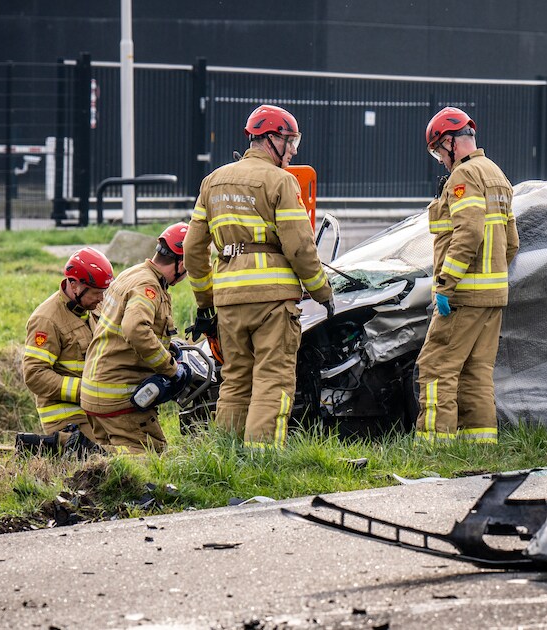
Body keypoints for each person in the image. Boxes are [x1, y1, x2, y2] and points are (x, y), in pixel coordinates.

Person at [183, 104, 333, 449]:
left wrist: (206, 301)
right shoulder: (281, 181)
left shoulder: (212, 182)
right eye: (290, 141)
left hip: (229, 301)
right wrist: (322, 291)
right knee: (272, 380)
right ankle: (262, 458)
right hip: (272, 300)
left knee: (235, 380)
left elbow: (192, 249)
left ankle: (227, 456)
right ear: (270, 139)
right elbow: (300, 247)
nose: (293, 150)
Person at [416, 106, 519, 444]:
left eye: (438, 152)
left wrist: (446, 284)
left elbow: (469, 232)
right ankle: (480, 447)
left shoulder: (464, 175)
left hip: (463, 295)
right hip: (492, 296)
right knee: (477, 372)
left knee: (436, 366)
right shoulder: (496, 174)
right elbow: (512, 243)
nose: (441, 161)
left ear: (450, 142)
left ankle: (434, 445)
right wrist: (491, 279)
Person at [81, 223, 191, 454]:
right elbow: (135, 329)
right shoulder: (148, 286)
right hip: (118, 396)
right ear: (181, 263)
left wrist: (167, 346)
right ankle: (68, 448)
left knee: (107, 458)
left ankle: (83, 456)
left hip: (95, 390)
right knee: (150, 455)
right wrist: (172, 370)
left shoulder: (133, 273)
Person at [21, 247, 113, 444]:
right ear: (74, 285)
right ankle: (51, 446)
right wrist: (86, 390)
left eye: (103, 292)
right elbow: (34, 375)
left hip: (95, 409)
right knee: (101, 455)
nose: (101, 299)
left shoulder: (91, 308)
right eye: (96, 293)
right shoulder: (46, 319)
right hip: (67, 416)